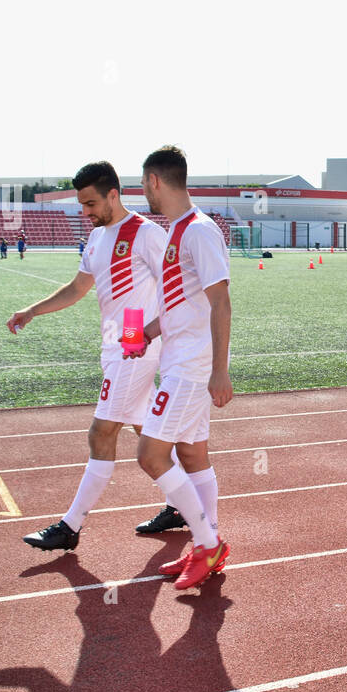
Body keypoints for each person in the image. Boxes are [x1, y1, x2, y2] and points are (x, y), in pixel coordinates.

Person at [7, 161, 174, 551]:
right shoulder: (98, 238)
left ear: (113, 194)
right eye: (81, 205)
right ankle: (181, 506)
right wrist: (33, 310)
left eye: (90, 204)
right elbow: (78, 287)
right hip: (113, 346)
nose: (85, 213)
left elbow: (177, 289)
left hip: (134, 348)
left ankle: (70, 526)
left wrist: (145, 335)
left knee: (101, 432)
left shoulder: (146, 234)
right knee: (147, 433)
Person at [129, 145, 233, 591]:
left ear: (155, 180)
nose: (143, 192)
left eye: (142, 183)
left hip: (191, 368)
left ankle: (209, 543)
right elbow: (180, 304)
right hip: (178, 358)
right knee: (191, 455)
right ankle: (202, 543)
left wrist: (220, 371)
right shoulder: (176, 231)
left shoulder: (200, 232)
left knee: (151, 456)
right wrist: (149, 331)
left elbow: (221, 301)